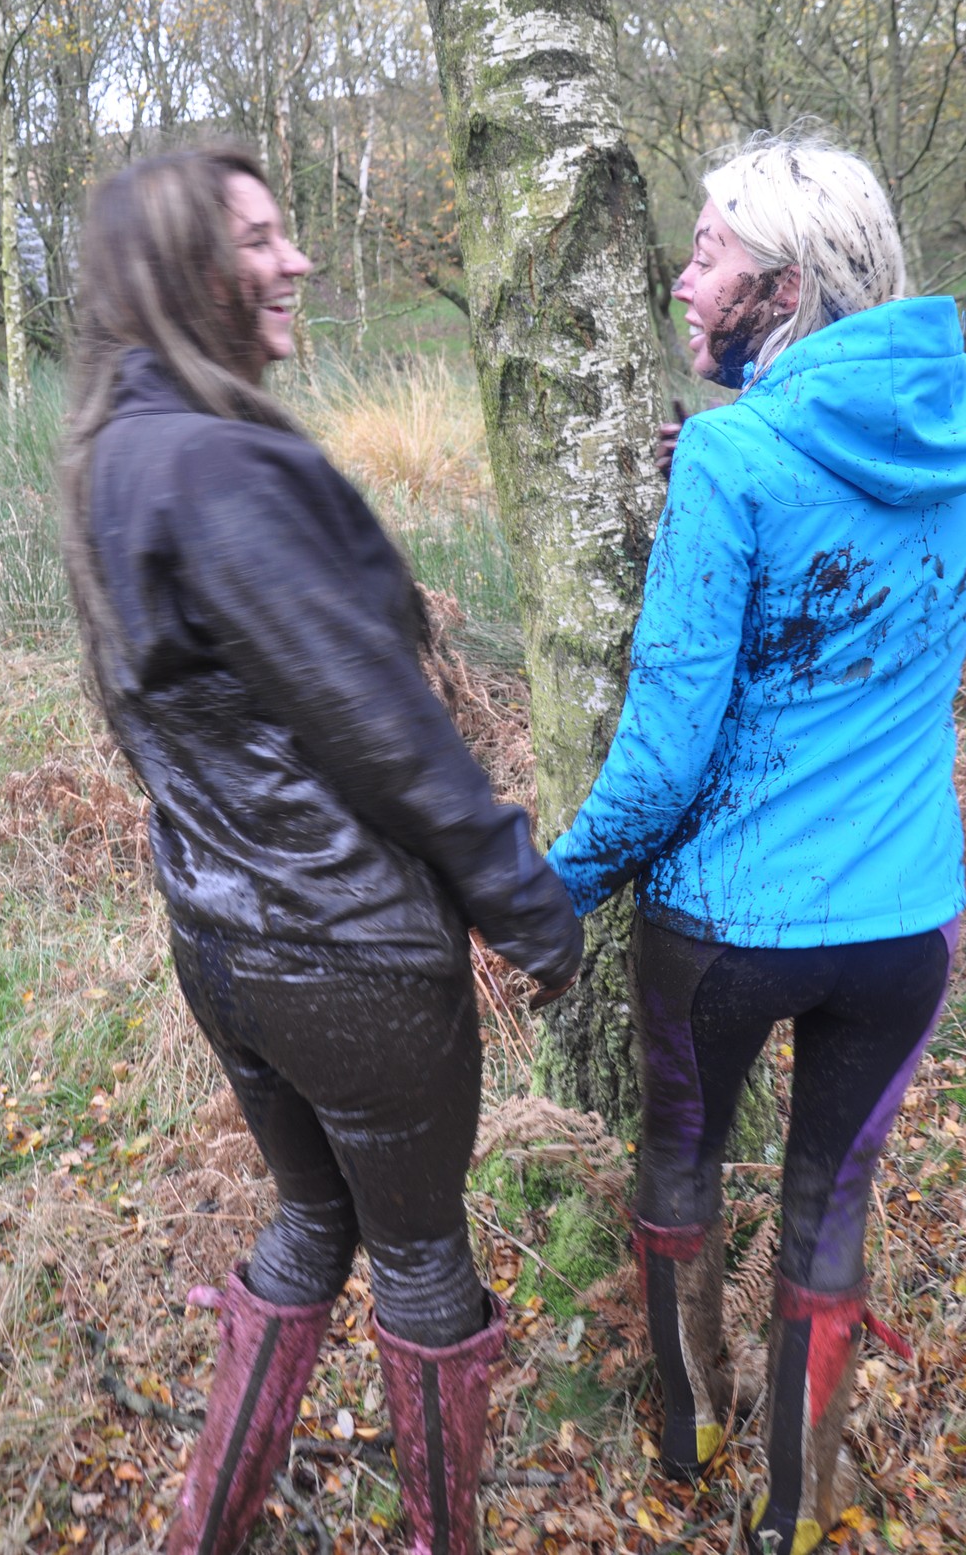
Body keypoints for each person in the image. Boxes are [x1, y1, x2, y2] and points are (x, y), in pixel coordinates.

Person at [59, 147, 582, 1555]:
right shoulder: (217, 464)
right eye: (258, 240)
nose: (294, 261)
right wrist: (525, 901)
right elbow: (380, 725)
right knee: (420, 1255)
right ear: (184, 271)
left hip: (223, 948)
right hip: (347, 955)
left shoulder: (115, 454)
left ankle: (207, 1528)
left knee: (311, 1220)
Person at [545, 132, 966, 1554]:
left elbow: (662, 762)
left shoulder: (734, 458)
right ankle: (796, 1511)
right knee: (831, 1201)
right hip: (907, 923)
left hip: (728, 927)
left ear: (785, 289)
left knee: (681, 1165)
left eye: (708, 257)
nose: (683, 282)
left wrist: (547, 888)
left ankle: (687, 1439)